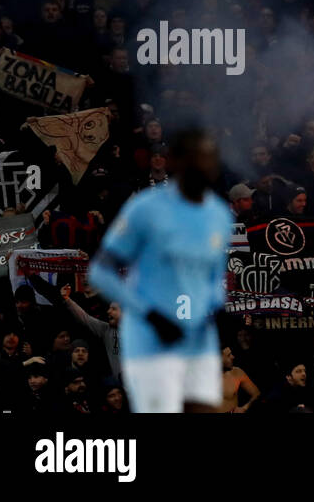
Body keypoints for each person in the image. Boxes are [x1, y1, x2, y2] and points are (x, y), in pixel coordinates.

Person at [88, 129, 234, 413]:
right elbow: (101, 271)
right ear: (176, 162)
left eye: (209, 160)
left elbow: (214, 277)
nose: (203, 167)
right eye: (196, 159)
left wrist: (215, 307)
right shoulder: (144, 208)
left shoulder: (219, 214)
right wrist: (150, 315)